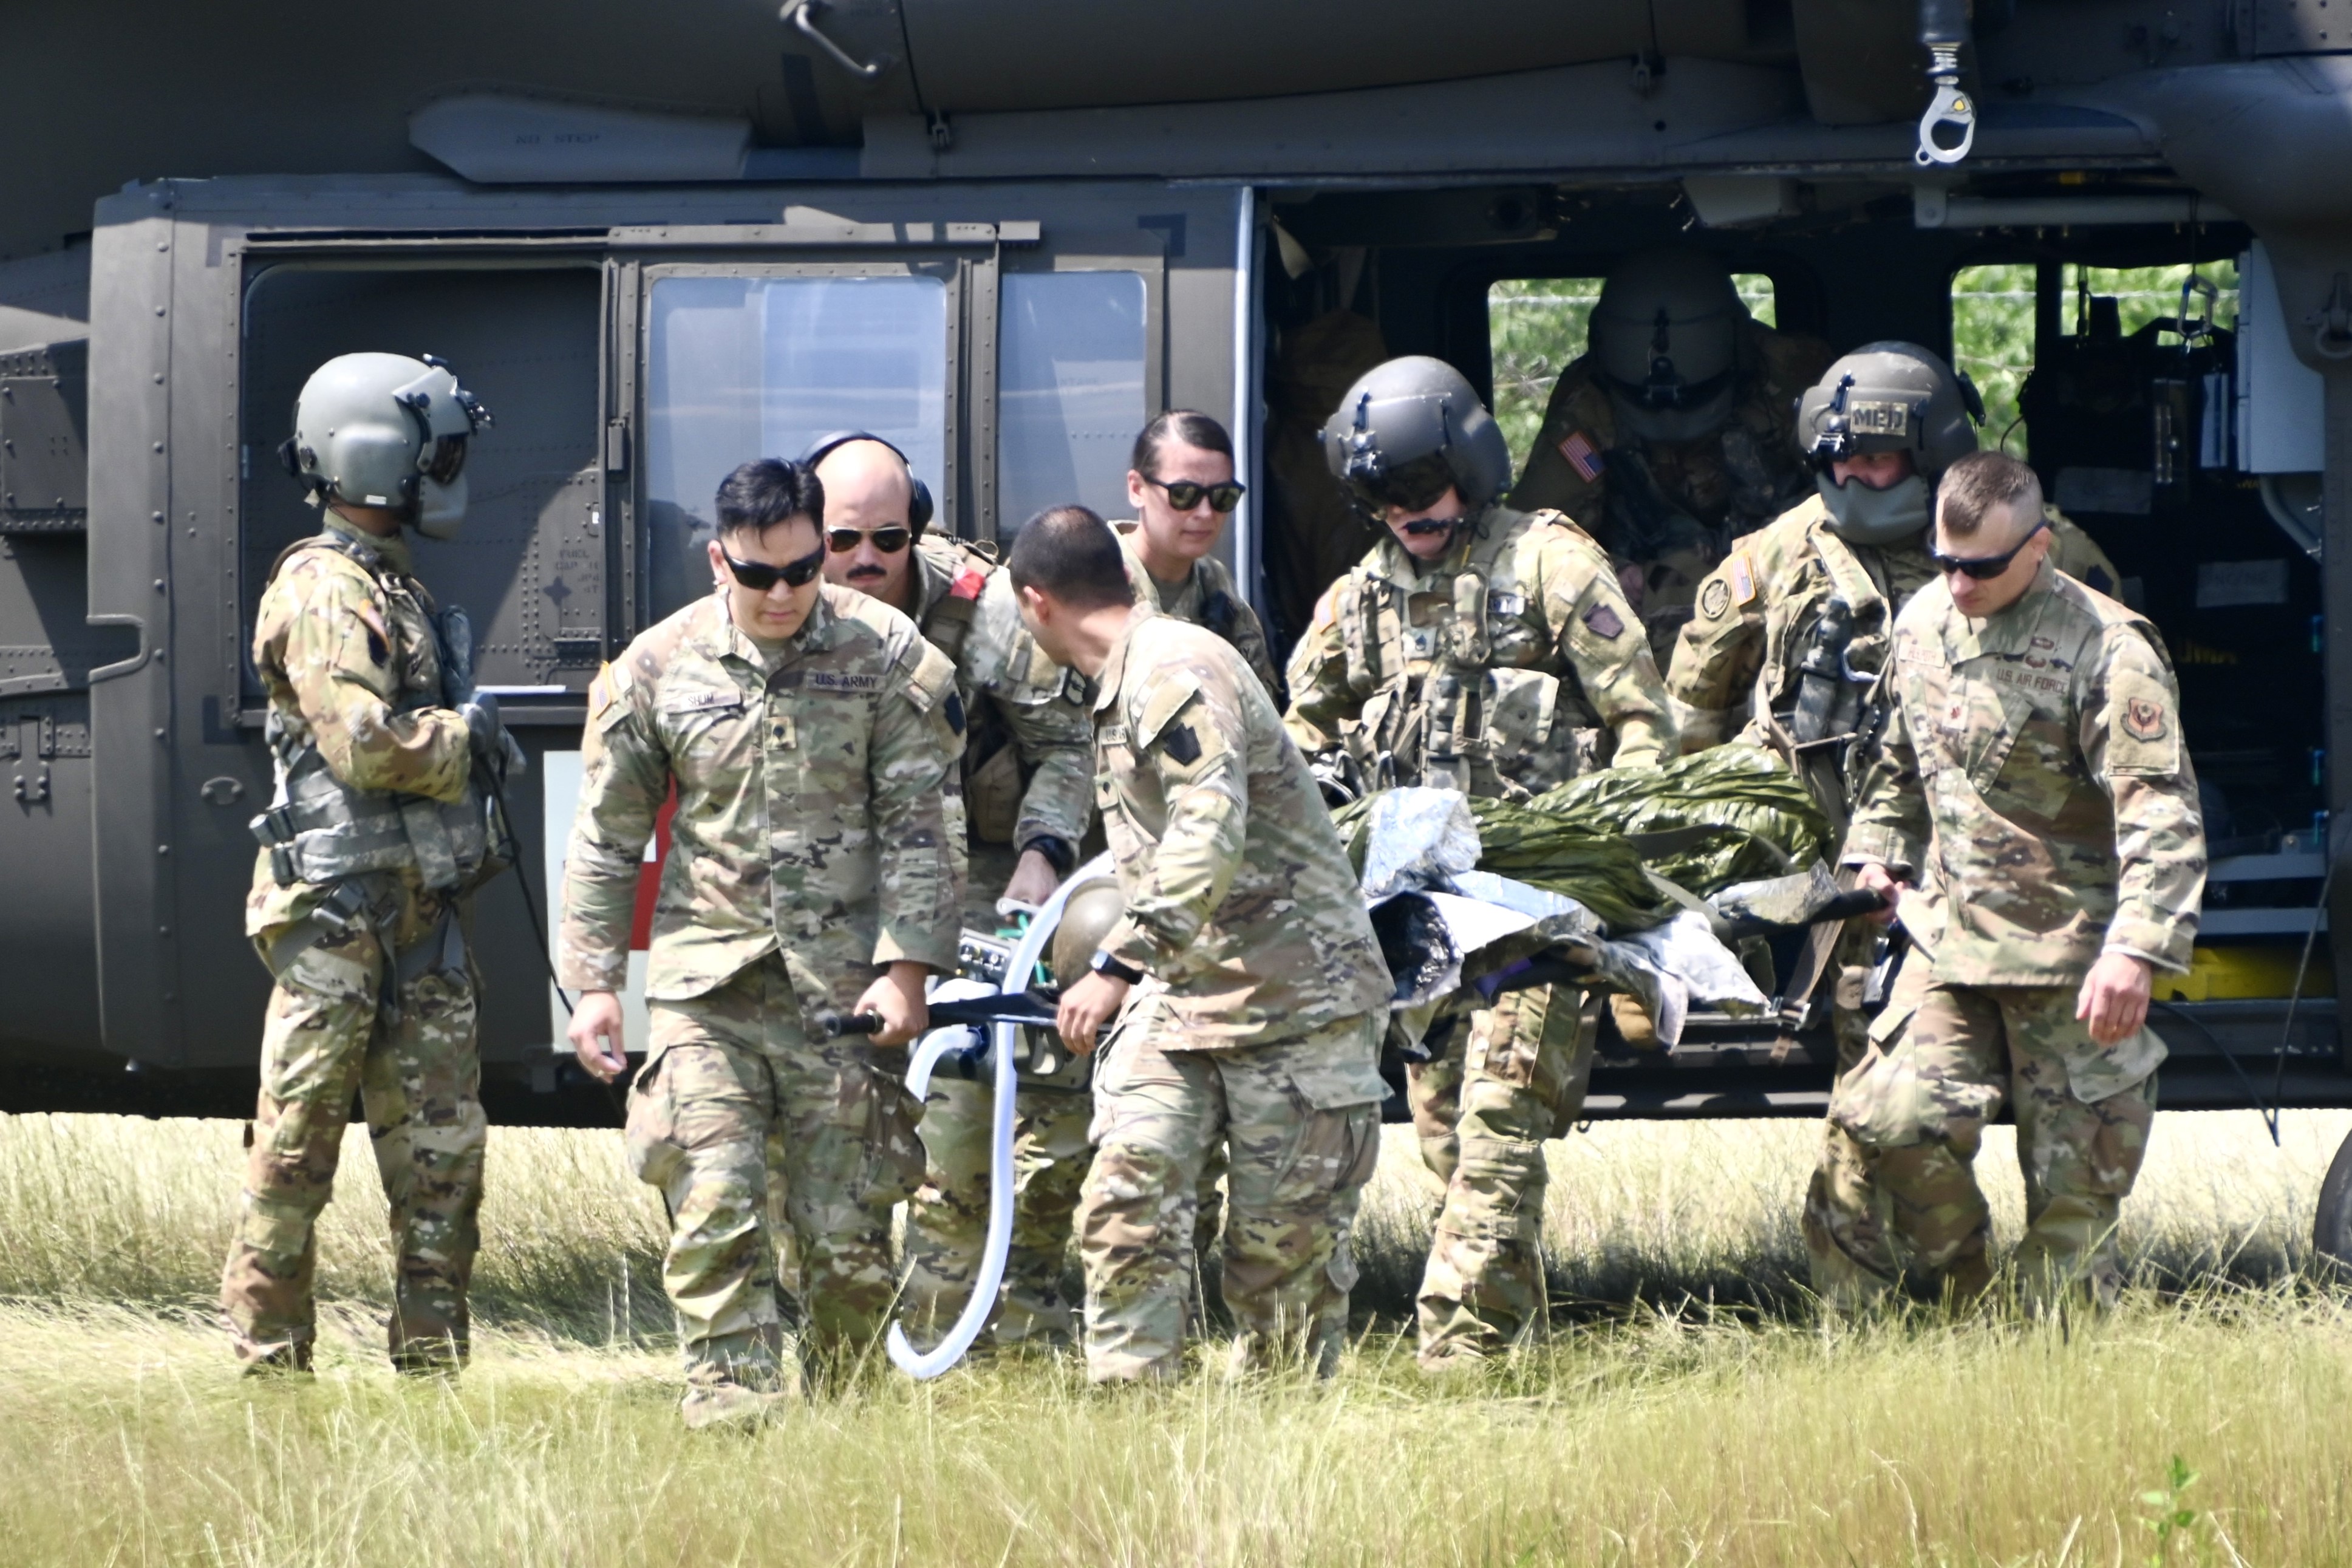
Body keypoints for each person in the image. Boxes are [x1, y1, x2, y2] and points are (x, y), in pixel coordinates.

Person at [1660, 344, 2125, 1294]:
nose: (1855, 478)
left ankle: (2054, 1297)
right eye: (1838, 462)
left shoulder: (2049, 554)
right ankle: (1867, 1306)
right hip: (1846, 884)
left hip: (2012, 889)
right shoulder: (1777, 557)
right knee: (1868, 1111)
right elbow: (1689, 719)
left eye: (1877, 462)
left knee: (2059, 1115)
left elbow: (2118, 715)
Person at [1283, 355, 1674, 1370]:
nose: (1404, 513)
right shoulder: (1352, 606)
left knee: (1499, 1122)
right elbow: (1297, 746)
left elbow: (1642, 725)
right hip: (1418, 924)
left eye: (1419, 488)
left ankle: (1460, 1357)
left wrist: (1606, 863)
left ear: (1471, 465)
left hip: (1536, 915)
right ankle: (1519, 1350)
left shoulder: (1548, 567)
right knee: (1454, 1145)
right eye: (1381, 497)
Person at [561, 458, 964, 1425]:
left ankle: (849, 1422)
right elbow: (608, 834)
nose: (782, 593)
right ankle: (729, 1416)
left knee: (848, 1241)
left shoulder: (886, 655)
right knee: (715, 1201)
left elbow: (922, 821)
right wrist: (596, 985)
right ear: (718, 561)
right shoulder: (656, 667)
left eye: (802, 569)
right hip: (710, 985)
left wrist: (907, 970)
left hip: (841, 998)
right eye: (758, 574)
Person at [1010, 504, 1392, 1382]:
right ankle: (1132, 1414)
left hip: (1295, 1000)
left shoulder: (1172, 669)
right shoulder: (1125, 676)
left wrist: (1114, 962)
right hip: (1183, 993)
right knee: (1126, 1203)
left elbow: (1206, 830)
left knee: (1279, 1267)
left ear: (1036, 602)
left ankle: (1280, 1464)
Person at [1824, 450, 2205, 1310]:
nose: (1958, 582)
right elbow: (1896, 767)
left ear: (2037, 547)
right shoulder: (1920, 621)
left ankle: (2047, 1352)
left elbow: (2161, 815)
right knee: (1892, 1121)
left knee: (2075, 1203)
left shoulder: (2109, 647)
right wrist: (1875, 852)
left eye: (1982, 566)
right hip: (1950, 942)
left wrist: (2136, 952)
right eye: (1944, 560)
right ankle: (1964, 1295)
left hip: (2074, 961)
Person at [223, 351, 505, 1375]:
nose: (451, 470)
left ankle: (432, 1368)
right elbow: (365, 745)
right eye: (439, 453)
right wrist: (467, 741)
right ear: (384, 459)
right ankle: (268, 1372)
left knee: (442, 1166)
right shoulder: (326, 589)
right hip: (338, 924)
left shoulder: (393, 587)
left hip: (418, 917)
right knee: (295, 1155)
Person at [809, 432, 1097, 1352]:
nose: (863, 560)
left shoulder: (987, 614)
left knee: (974, 1077)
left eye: (887, 540)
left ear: (917, 529)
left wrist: (1042, 850)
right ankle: (822, 1316)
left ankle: (959, 1317)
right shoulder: (773, 600)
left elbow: (1068, 746)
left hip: (973, 861)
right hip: (836, 870)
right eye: (842, 539)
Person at [1506, 248, 1836, 663]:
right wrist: (1604, 569)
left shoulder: (1795, 376)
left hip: (1784, 575)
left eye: (1698, 396)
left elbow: (1853, 490)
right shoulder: (1587, 406)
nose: (1669, 417)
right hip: (1650, 597)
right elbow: (1534, 535)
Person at [1113, 411, 1286, 704]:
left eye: (1223, 496)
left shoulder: (1217, 587)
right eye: (1184, 494)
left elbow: (1259, 710)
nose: (1206, 513)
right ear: (1137, 489)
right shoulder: (1084, 579)